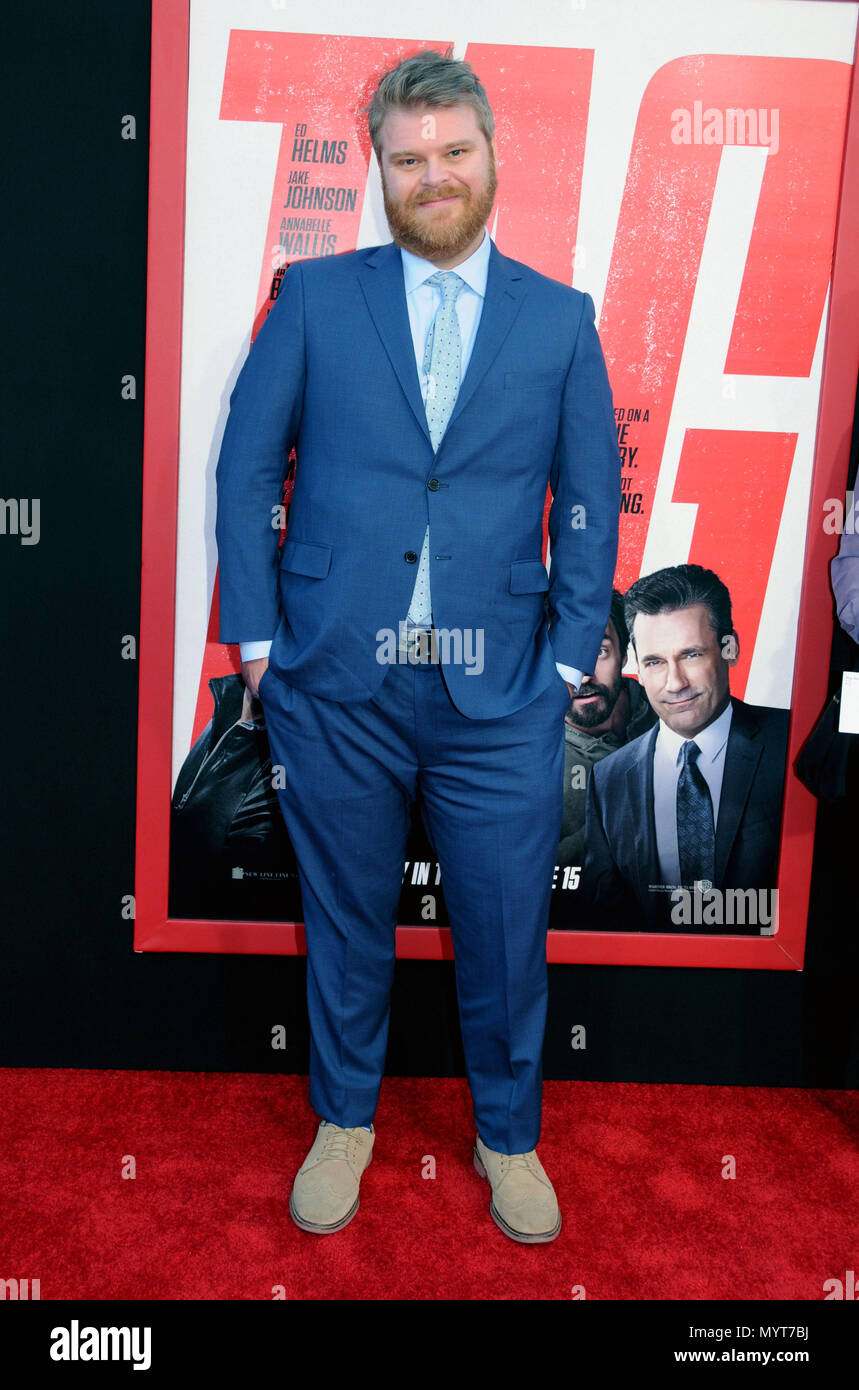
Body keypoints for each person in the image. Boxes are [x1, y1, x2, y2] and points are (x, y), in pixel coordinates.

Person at [215, 50, 620, 1242]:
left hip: (500, 690)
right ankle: (344, 1119)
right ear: (378, 169)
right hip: (336, 680)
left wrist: (563, 658)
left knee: (505, 927)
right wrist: (255, 639)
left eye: (454, 152)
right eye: (409, 158)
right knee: (346, 919)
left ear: (491, 155)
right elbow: (246, 469)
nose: (433, 175)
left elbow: (590, 496)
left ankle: (509, 1138)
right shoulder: (315, 296)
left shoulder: (559, 319)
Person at [583, 565, 789, 933]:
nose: (674, 683)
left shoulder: (789, 744)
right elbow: (606, 923)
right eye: (655, 662)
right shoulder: (608, 779)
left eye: (691, 655)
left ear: (730, 648)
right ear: (638, 669)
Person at [557, 588, 656, 872]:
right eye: (562, 657)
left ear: (624, 655)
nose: (583, 674)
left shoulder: (674, 713)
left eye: (599, 651)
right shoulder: (517, 757)